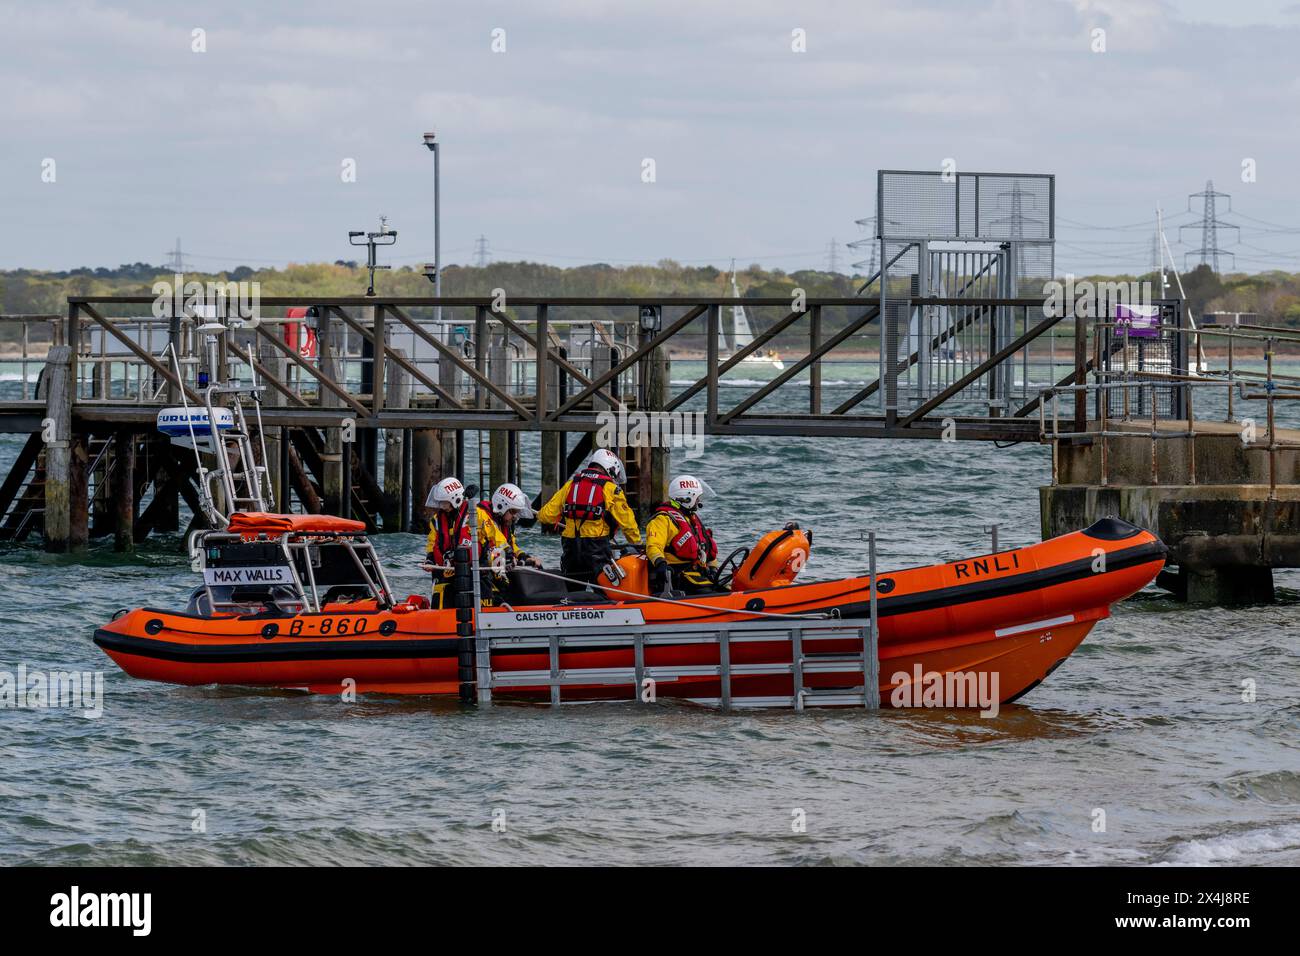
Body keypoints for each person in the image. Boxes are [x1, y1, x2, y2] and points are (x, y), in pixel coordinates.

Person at [537, 449, 642, 586]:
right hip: (596, 549)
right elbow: (628, 524)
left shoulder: (571, 484)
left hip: (571, 548)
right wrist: (638, 545)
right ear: (610, 468)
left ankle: (570, 606)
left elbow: (545, 516)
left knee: (572, 589)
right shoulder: (610, 489)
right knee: (604, 590)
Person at [646, 474, 719, 596]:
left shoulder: (691, 519)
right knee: (707, 592)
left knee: (722, 588)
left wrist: (713, 569)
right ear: (688, 498)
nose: (699, 501)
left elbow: (707, 548)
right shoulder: (663, 520)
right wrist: (661, 564)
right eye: (697, 498)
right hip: (677, 574)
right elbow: (653, 547)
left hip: (697, 572)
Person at [423, 476, 470, 608]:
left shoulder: (473, 517)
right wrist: (430, 559)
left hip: (465, 571)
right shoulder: (436, 520)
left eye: (444, 502)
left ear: (455, 499)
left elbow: (482, 540)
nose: (442, 506)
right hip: (442, 570)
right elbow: (432, 542)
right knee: (439, 601)